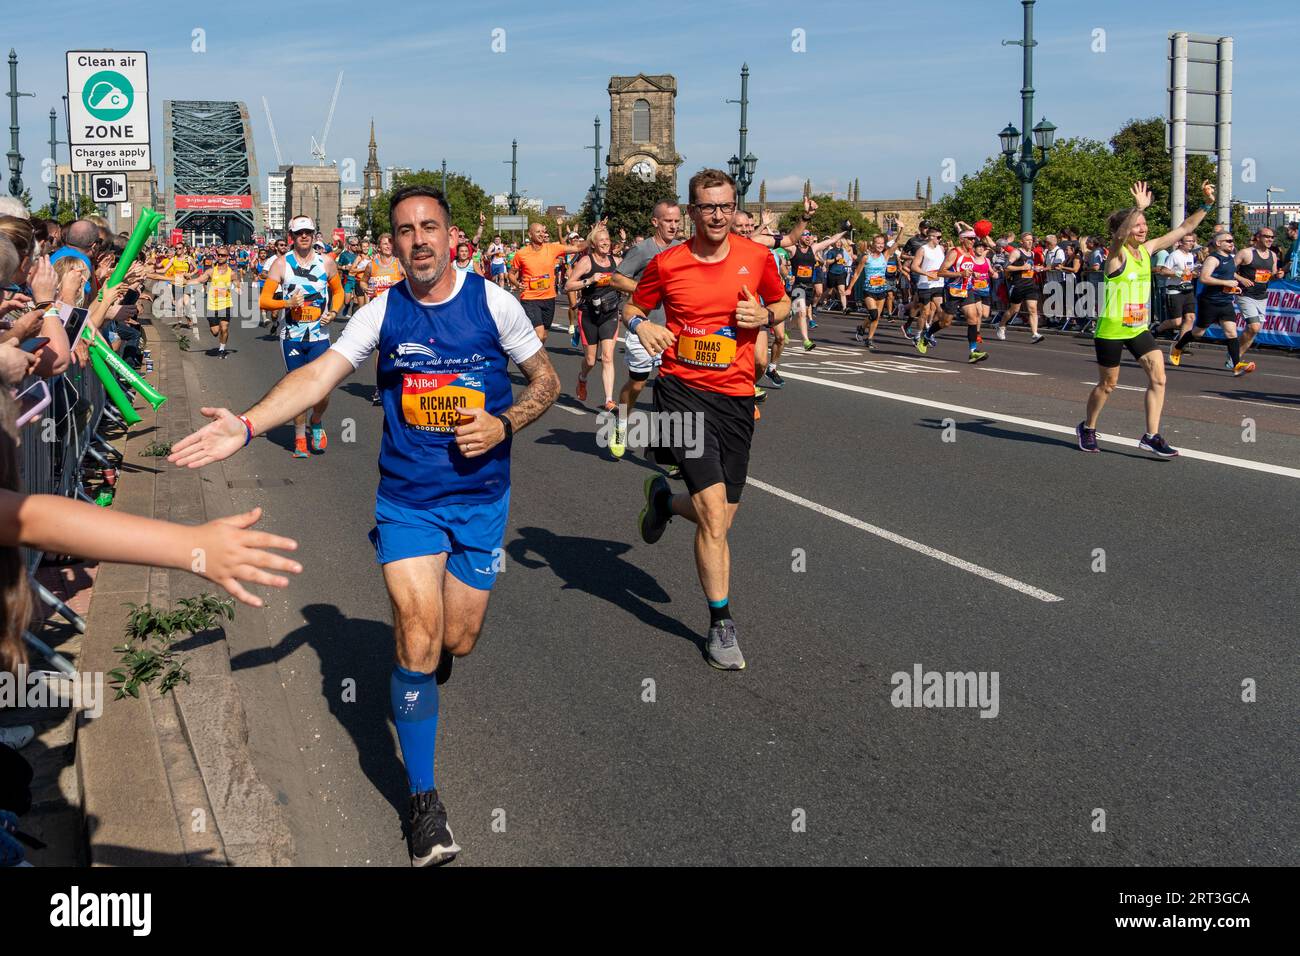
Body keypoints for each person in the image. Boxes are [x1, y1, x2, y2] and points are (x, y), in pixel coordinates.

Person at [169, 184, 560, 866]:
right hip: (406, 499)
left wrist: (504, 422)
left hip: (481, 500)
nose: (419, 241)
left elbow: (547, 382)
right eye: (406, 230)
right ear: (393, 244)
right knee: (415, 633)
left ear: (452, 234)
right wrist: (250, 422)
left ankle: (428, 666)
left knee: (457, 642)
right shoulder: (382, 313)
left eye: (430, 227)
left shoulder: (494, 304)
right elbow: (321, 372)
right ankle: (423, 803)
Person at [626, 169, 791, 670]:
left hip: (737, 395)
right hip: (680, 391)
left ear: (733, 207)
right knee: (716, 518)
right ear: (692, 211)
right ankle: (721, 625)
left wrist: (767, 317)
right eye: (707, 206)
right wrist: (641, 327)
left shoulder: (756, 257)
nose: (717, 215)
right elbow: (632, 305)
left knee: (721, 515)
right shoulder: (669, 262)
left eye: (724, 205)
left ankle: (665, 501)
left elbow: (782, 302)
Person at [1077, 180, 1215, 457]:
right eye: (1138, 225)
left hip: (1137, 327)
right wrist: (1136, 209)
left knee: (1159, 378)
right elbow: (1117, 239)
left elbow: (1185, 228)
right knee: (1108, 384)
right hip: (1112, 329)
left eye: (1144, 223)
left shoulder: (1148, 249)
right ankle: (1088, 427)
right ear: (1124, 229)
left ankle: (1151, 436)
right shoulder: (1116, 256)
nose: (1144, 229)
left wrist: (1207, 204)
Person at [258, 216, 345, 457]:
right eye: (299, 233)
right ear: (292, 236)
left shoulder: (326, 262)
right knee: (298, 388)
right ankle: (299, 439)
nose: (304, 236)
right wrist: (287, 302)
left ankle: (315, 420)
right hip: (292, 336)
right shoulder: (280, 264)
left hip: (319, 336)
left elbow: (338, 292)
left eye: (308, 232)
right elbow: (263, 301)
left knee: (322, 389)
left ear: (314, 234)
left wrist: (335, 311)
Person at [606, 200, 683, 461]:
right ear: (655, 222)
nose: (673, 225)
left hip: (673, 330)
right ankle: (621, 422)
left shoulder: (683, 250)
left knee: (674, 387)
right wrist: (648, 291)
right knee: (637, 384)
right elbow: (616, 278)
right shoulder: (643, 250)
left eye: (676, 220)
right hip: (643, 326)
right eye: (668, 221)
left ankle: (674, 452)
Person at [1170, 230, 1255, 376]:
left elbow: (1229, 272)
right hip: (1209, 302)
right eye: (1228, 241)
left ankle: (1236, 365)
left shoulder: (1230, 258)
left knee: (1231, 332)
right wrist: (1225, 282)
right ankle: (1177, 347)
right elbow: (1204, 278)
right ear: (1218, 243)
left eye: (1232, 240)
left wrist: (1237, 283)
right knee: (1198, 332)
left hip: (1226, 302)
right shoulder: (1213, 259)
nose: (1231, 243)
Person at [564, 225, 623, 411]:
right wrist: (589, 280)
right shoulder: (586, 262)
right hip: (588, 314)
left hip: (610, 314)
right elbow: (568, 285)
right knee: (590, 360)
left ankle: (609, 400)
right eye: (601, 240)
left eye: (607, 239)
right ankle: (582, 378)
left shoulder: (617, 262)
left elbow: (631, 280)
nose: (606, 243)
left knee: (607, 357)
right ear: (594, 244)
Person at [915, 224, 989, 363]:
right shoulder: (954, 253)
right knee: (945, 322)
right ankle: (927, 335)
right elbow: (941, 272)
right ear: (962, 240)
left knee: (973, 318)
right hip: (953, 291)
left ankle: (973, 352)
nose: (974, 241)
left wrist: (975, 274)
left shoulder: (972, 254)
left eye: (974, 239)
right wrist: (960, 273)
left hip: (967, 290)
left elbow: (969, 270)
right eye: (971, 239)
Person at [508, 223, 587, 342]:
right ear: (530, 234)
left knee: (543, 336)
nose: (541, 234)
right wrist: (517, 284)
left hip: (549, 298)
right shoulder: (521, 254)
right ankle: (534, 358)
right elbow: (511, 273)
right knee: (539, 334)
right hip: (530, 298)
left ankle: (535, 356)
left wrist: (595, 235)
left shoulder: (552, 248)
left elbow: (578, 248)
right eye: (538, 232)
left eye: (543, 232)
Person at [1234, 226, 1283, 365]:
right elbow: (1228, 269)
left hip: (1262, 296)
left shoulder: (1272, 255)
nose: (1270, 239)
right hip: (1245, 295)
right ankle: (1235, 358)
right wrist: (1241, 278)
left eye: (1272, 237)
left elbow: (1271, 276)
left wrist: (1278, 275)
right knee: (1254, 327)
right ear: (1258, 237)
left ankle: (1234, 355)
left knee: (1254, 331)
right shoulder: (1246, 253)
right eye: (1266, 236)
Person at [192, 249, 240, 357]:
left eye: (223, 255)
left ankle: (222, 349)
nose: (220, 256)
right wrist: (185, 282)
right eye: (219, 255)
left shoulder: (232, 273)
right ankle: (216, 329)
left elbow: (238, 284)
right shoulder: (211, 271)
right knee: (215, 332)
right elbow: (199, 280)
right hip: (212, 305)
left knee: (224, 328)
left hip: (226, 304)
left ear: (227, 257)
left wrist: (237, 288)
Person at [1152, 234, 1198, 343]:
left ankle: (1181, 345)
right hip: (1174, 290)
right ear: (1180, 243)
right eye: (1188, 241)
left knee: (1190, 318)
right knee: (1177, 322)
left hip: (1187, 289)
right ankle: (1157, 329)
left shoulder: (1190, 255)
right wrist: (1178, 273)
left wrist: (1195, 273)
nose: (1191, 243)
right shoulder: (1174, 255)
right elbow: (1163, 271)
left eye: (1192, 241)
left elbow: (1189, 272)